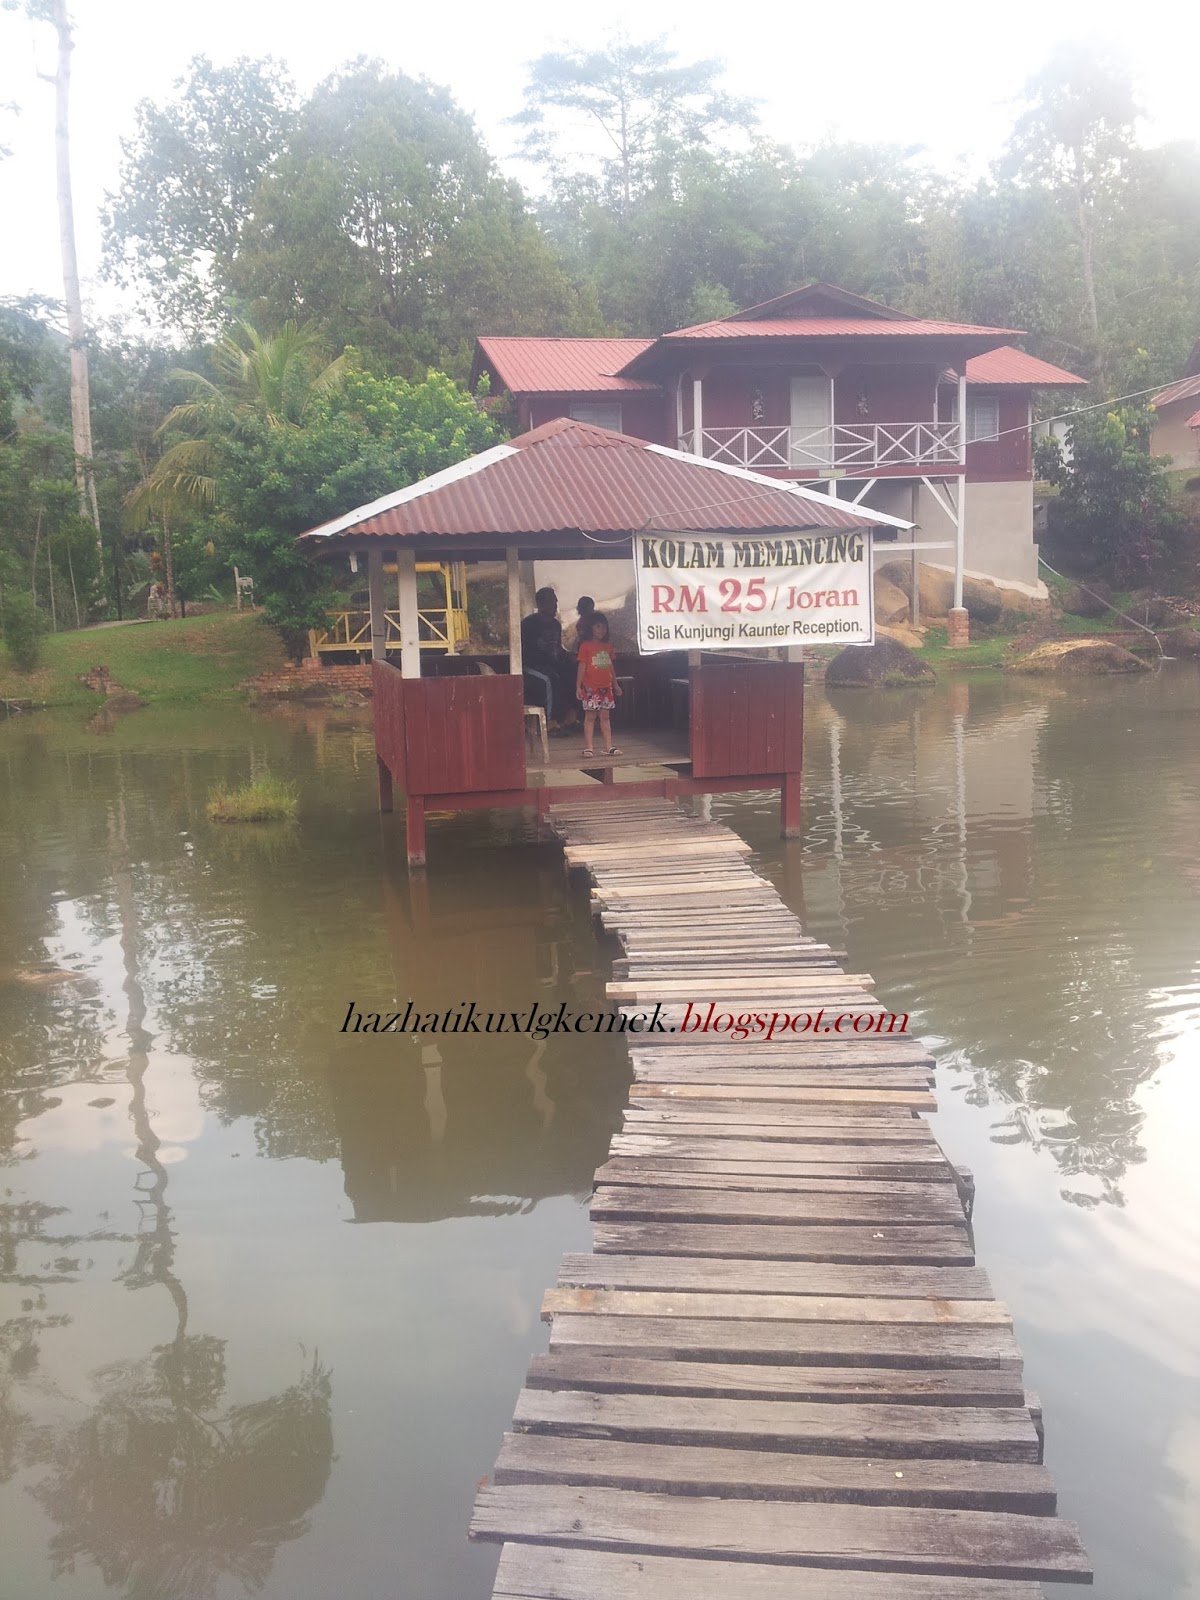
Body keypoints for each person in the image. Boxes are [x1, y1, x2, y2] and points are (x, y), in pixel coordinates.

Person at [520, 586, 578, 730]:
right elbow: (525, 650)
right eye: (551, 602)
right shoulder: (528, 624)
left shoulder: (555, 625)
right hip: (531, 666)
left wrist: (567, 655)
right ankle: (549, 721)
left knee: (573, 671)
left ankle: (570, 715)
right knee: (549, 679)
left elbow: (557, 647)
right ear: (540, 604)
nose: (555, 605)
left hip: (551, 663)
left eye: (555, 602)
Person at [576, 611, 622, 758]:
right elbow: (582, 667)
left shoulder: (608, 647)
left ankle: (609, 746)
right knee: (590, 717)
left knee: (605, 717)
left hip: (606, 687)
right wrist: (578, 686)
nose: (601, 630)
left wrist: (615, 685)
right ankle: (589, 747)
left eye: (604, 627)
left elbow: (610, 667)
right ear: (591, 628)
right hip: (590, 687)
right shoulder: (585, 646)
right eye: (598, 627)